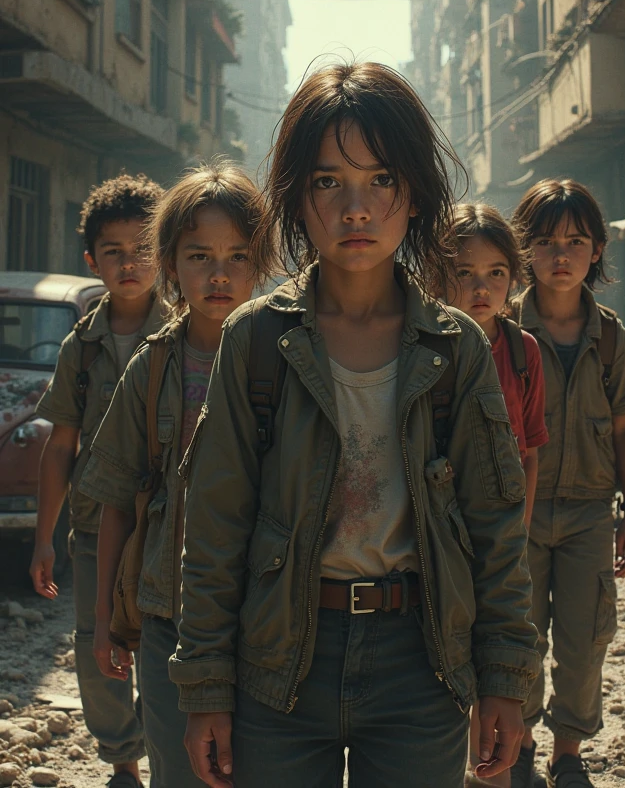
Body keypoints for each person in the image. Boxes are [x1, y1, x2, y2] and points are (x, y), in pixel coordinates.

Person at [169, 62, 540, 788]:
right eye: (329, 181)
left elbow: (495, 525)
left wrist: (504, 676)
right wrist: (206, 690)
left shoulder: (456, 347)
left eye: (382, 180)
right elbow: (213, 529)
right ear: (297, 199)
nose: (357, 208)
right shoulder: (255, 342)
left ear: (415, 194)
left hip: (419, 661)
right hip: (280, 663)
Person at [78, 162, 263, 788]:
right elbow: (117, 503)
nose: (219, 274)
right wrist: (107, 620)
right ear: (170, 263)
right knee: (179, 769)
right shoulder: (154, 367)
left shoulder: (289, 362)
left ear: (260, 264)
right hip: (167, 611)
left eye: (238, 256)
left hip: (266, 617)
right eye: (199, 255)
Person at [511, 179, 625, 788]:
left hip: (591, 514)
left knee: (585, 636)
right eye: (545, 242)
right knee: (516, 636)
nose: (560, 255)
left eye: (575, 241)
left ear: (598, 249)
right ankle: (514, 748)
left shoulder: (611, 338)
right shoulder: (501, 332)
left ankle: (567, 753)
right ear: (524, 252)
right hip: (518, 516)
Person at [30, 173, 164, 788]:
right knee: (96, 643)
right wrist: (43, 538)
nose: (129, 263)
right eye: (114, 252)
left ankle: (171, 750)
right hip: (92, 524)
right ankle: (123, 761)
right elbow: (60, 447)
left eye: (143, 249)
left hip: (172, 525)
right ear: (92, 260)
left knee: (168, 642)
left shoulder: (192, 334)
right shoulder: (81, 348)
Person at [441, 204, 548, 788]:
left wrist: (518, 529)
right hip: (437, 535)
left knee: (499, 665)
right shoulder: (425, 349)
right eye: (464, 273)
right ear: (438, 276)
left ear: (514, 279)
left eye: (496, 274)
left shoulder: (522, 352)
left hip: (501, 537)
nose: (480, 289)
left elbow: (529, 451)